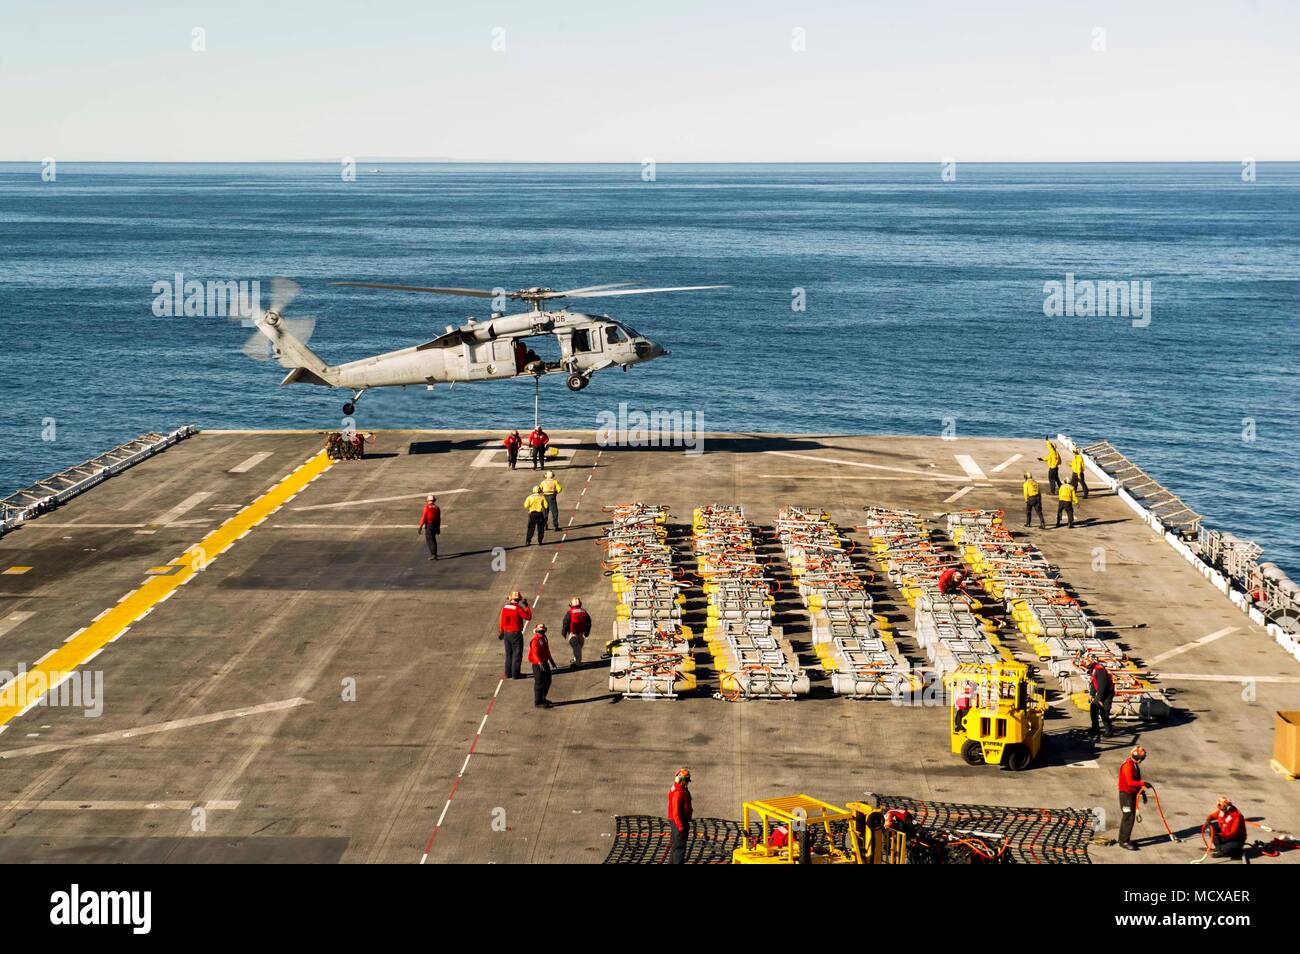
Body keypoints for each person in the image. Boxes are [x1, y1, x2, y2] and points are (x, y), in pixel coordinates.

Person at [1117, 745, 1148, 851]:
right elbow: (1130, 782)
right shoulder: (1128, 766)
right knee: (1128, 817)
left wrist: (1141, 791)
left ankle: (1125, 838)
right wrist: (1143, 783)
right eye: (1141, 758)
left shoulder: (1134, 765)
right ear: (1137, 757)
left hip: (1131, 794)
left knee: (1131, 816)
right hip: (1126, 795)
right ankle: (1123, 841)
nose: (1142, 760)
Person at [499, 591, 532, 680]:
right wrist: (527, 606)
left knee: (508, 654)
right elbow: (528, 617)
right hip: (515, 634)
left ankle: (507, 673)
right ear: (519, 599)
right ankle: (515, 674)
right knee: (517, 655)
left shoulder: (505, 607)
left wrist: (501, 632)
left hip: (506, 633)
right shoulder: (518, 608)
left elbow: (501, 620)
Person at [667, 768, 693, 864]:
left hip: (677, 822)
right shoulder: (678, 793)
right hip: (678, 822)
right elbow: (676, 812)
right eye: (686, 780)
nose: (687, 782)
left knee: (675, 846)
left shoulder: (678, 788)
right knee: (679, 848)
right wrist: (681, 827)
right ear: (681, 779)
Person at [529, 623, 556, 708]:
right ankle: (538, 702)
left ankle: (543, 698)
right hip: (538, 665)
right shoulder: (535, 640)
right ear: (536, 632)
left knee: (548, 681)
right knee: (539, 683)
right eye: (540, 632)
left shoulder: (544, 638)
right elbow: (534, 653)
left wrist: (551, 661)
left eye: (543, 631)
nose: (542, 633)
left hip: (544, 662)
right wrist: (539, 663)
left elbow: (547, 650)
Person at [1087, 658, 1115, 737]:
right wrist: (1091, 694)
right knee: (1093, 709)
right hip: (1101, 693)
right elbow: (1093, 682)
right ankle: (1095, 728)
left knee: (1104, 712)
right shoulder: (1094, 670)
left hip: (1107, 694)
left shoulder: (1100, 670)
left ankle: (1109, 731)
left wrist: (1099, 699)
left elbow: (1102, 686)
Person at [562, 597, 592, 667]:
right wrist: (587, 632)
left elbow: (565, 623)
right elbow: (589, 623)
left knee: (576, 648)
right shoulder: (584, 612)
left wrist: (564, 632)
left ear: (571, 605)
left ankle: (578, 663)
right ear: (580, 604)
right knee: (578, 648)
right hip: (581, 635)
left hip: (573, 634)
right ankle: (576, 659)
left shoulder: (570, 612)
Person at [417, 494, 441, 560]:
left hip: (429, 525)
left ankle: (433, 554)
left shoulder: (427, 507)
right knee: (433, 539)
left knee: (430, 540)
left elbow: (424, 517)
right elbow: (439, 518)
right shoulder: (437, 507)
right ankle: (435, 553)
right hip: (435, 525)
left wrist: (420, 527)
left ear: (428, 500)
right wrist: (438, 527)